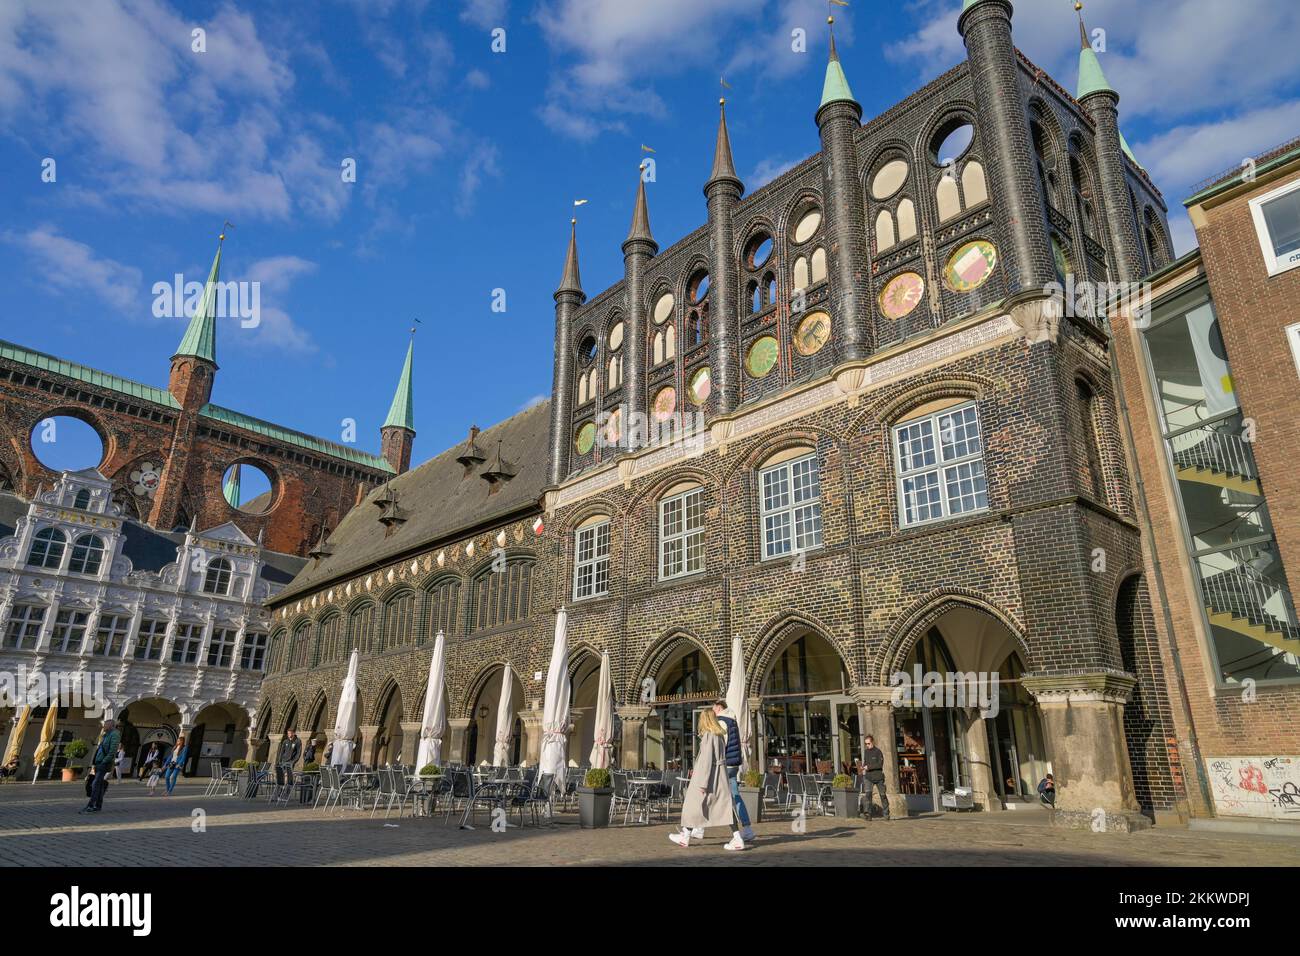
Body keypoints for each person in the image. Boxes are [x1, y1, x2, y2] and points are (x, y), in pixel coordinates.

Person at [668, 709, 745, 851]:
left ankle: (686, 836)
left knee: (693, 806)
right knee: (724, 809)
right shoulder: (719, 735)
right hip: (718, 776)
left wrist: (703, 783)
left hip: (708, 777)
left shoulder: (709, 736)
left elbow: (707, 760)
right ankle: (736, 837)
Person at [712, 699, 755, 844]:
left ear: (718, 708)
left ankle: (695, 829)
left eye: (713, 707)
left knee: (710, 795)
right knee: (735, 796)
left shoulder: (722, 721)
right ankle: (747, 829)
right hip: (734, 764)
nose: (712, 710)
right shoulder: (733, 720)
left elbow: (721, 744)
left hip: (725, 764)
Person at [81, 719, 120, 813]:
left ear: (111, 725)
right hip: (99, 762)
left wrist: (104, 761)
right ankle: (98, 805)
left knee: (95, 784)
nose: (103, 726)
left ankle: (91, 805)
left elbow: (112, 751)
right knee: (99, 784)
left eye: (105, 725)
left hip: (104, 763)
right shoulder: (105, 735)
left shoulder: (115, 734)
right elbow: (100, 749)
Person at [860, 734, 891, 821]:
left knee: (882, 795)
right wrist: (863, 766)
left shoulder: (878, 752)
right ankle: (868, 814)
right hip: (868, 777)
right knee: (868, 795)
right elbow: (866, 762)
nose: (867, 745)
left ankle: (886, 813)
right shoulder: (866, 752)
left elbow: (879, 764)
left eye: (868, 743)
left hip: (878, 777)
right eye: (866, 744)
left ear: (872, 742)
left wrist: (868, 767)